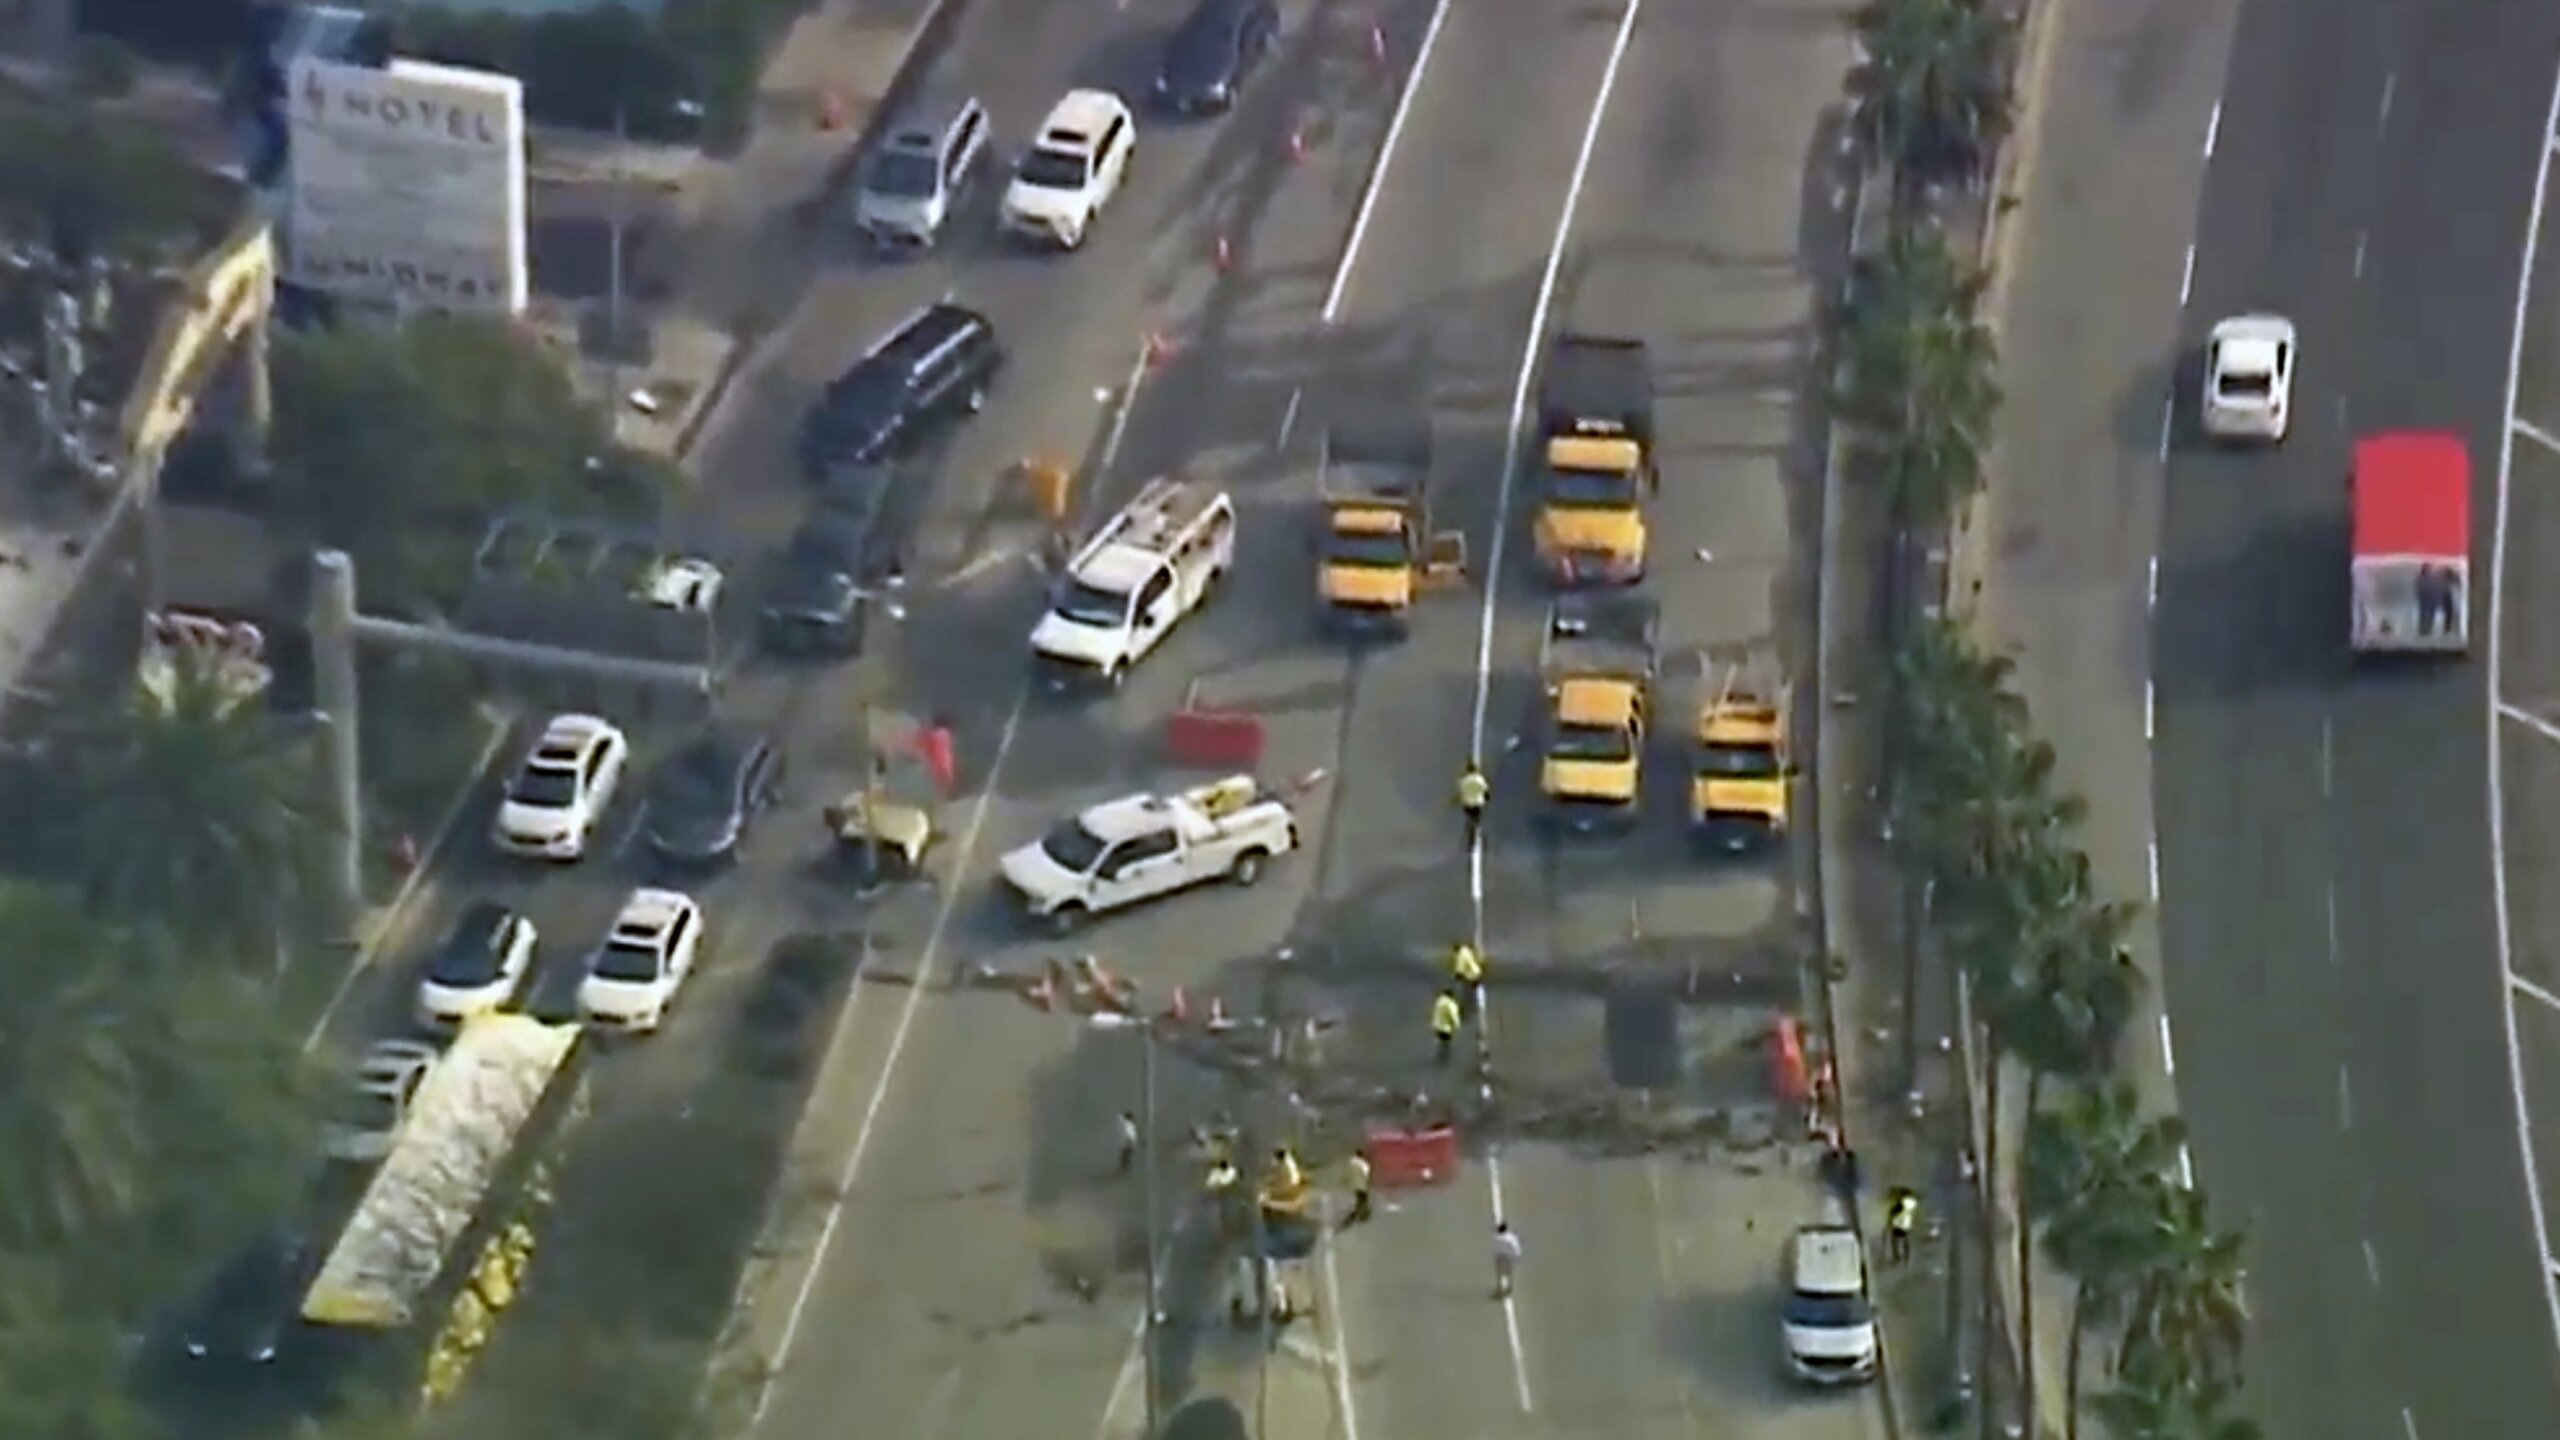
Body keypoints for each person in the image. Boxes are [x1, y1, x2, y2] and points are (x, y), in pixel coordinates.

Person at [1455, 762, 1491, 849]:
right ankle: (1478, 836)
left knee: (1470, 818)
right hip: (1478, 803)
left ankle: (1470, 834)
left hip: (1467, 804)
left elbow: (1461, 792)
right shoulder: (1480, 780)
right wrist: (1486, 799)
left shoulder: (1463, 780)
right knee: (1477, 820)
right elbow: (1486, 791)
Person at [1448, 939, 1485, 1015]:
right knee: (1477, 987)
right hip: (1476, 971)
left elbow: (1459, 970)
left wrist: (1454, 976)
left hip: (1471, 975)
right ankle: (1481, 1004)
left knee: (1462, 988)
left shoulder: (1460, 955)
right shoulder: (1466, 950)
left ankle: (1461, 1005)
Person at [1886, 1186, 1919, 1264]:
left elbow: (1893, 1213)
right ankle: (1905, 1257)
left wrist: (1890, 1221)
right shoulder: (1911, 1203)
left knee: (1896, 1240)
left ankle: (1898, 1256)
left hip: (1899, 1225)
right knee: (1904, 1240)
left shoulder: (1901, 1204)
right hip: (1904, 1225)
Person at [1491, 1220, 1522, 1299]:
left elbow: (1495, 1248)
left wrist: (1495, 1256)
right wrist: (1517, 1256)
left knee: (1499, 1274)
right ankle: (1509, 1288)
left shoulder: (1496, 1237)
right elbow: (1515, 1247)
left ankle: (1500, 1288)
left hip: (1500, 1257)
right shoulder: (1511, 1237)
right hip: (1508, 1258)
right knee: (1509, 1273)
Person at [1430, 989, 1463, 1064]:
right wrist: (1457, 1025)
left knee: (1440, 1038)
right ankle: (1444, 1056)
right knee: (1446, 1041)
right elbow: (1454, 1016)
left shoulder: (1439, 1001)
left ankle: (1438, 1052)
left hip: (1437, 1025)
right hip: (1446, 1027)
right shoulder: (1450, 1004)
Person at [1343, 1151, 1373, 1228]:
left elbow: (1347, 1173)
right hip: (1362, 1185)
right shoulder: (1363, 1164)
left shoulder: (1351, 1163)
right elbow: (1366, 1173)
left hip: (1354, 1185)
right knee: (1363, 1199)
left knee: (1359, 1198)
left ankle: (1357, 1211)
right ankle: (1359, 1213)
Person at [1117, 1110, 1140, 1176]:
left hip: (1127, 1145)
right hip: (1128, 1145)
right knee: (1126, 1158)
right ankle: (1126, 1170)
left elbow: (1130, 1136)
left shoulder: (1127, 1125)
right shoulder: (1129, 1124)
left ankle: (1125, 1170)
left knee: (1125, 1158)